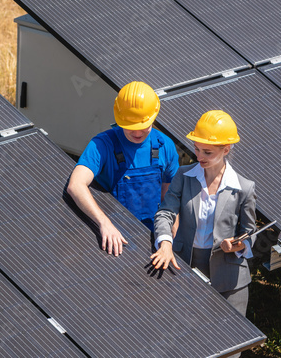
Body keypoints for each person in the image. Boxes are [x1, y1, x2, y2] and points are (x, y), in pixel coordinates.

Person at [150, 110, 256, 318]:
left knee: (230, 339)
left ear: (226, 150)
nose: (199, 156)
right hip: (185, 266)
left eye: (207, 152)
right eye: (197, 149)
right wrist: (165, 242)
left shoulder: (244, 187)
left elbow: (250, 231)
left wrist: (239, 244)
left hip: (229, 278)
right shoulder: (183, 175)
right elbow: (165, 212)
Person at [67, 81, 179, 255]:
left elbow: (170, 199)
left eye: (143, 127)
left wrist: (168, 241)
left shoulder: (165, 146)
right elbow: (76, 185)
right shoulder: (102, 145)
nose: (136, 133)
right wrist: (104, 223)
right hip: (115, 241)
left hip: (154, 239)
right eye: (130, 127)